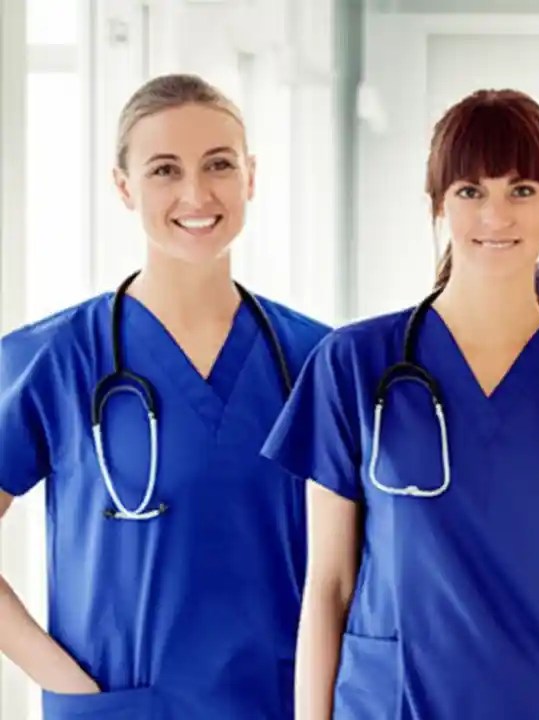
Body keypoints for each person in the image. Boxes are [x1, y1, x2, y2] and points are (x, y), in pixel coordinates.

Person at [262, 88, 539, 720]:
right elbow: (328, 587)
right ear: (439, 205)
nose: (495, 216)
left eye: (521, 191)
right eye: (470, 192)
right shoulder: (355, 365)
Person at [0, 74, 330, 719]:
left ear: (251, 177)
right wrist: (58, 676)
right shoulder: (59, 358)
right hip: (123, 707)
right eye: (163, 170)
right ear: (123, 186)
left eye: (219, 165)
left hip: (280, 704)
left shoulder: (317, 360)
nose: (196, 193)